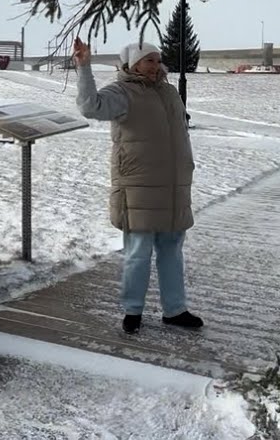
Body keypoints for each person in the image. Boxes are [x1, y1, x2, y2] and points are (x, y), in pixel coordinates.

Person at [73, 36, 203, 334]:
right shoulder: (122, 92)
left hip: (173, 186)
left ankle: (175, 309)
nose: (155, 66)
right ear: (133, 64)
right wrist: (84, 67)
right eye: (149, 60)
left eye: (158, 60)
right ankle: (133, 310)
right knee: (138, 252)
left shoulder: (170, 92)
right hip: (139, 187)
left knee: (172, 250)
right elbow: (91, 107)